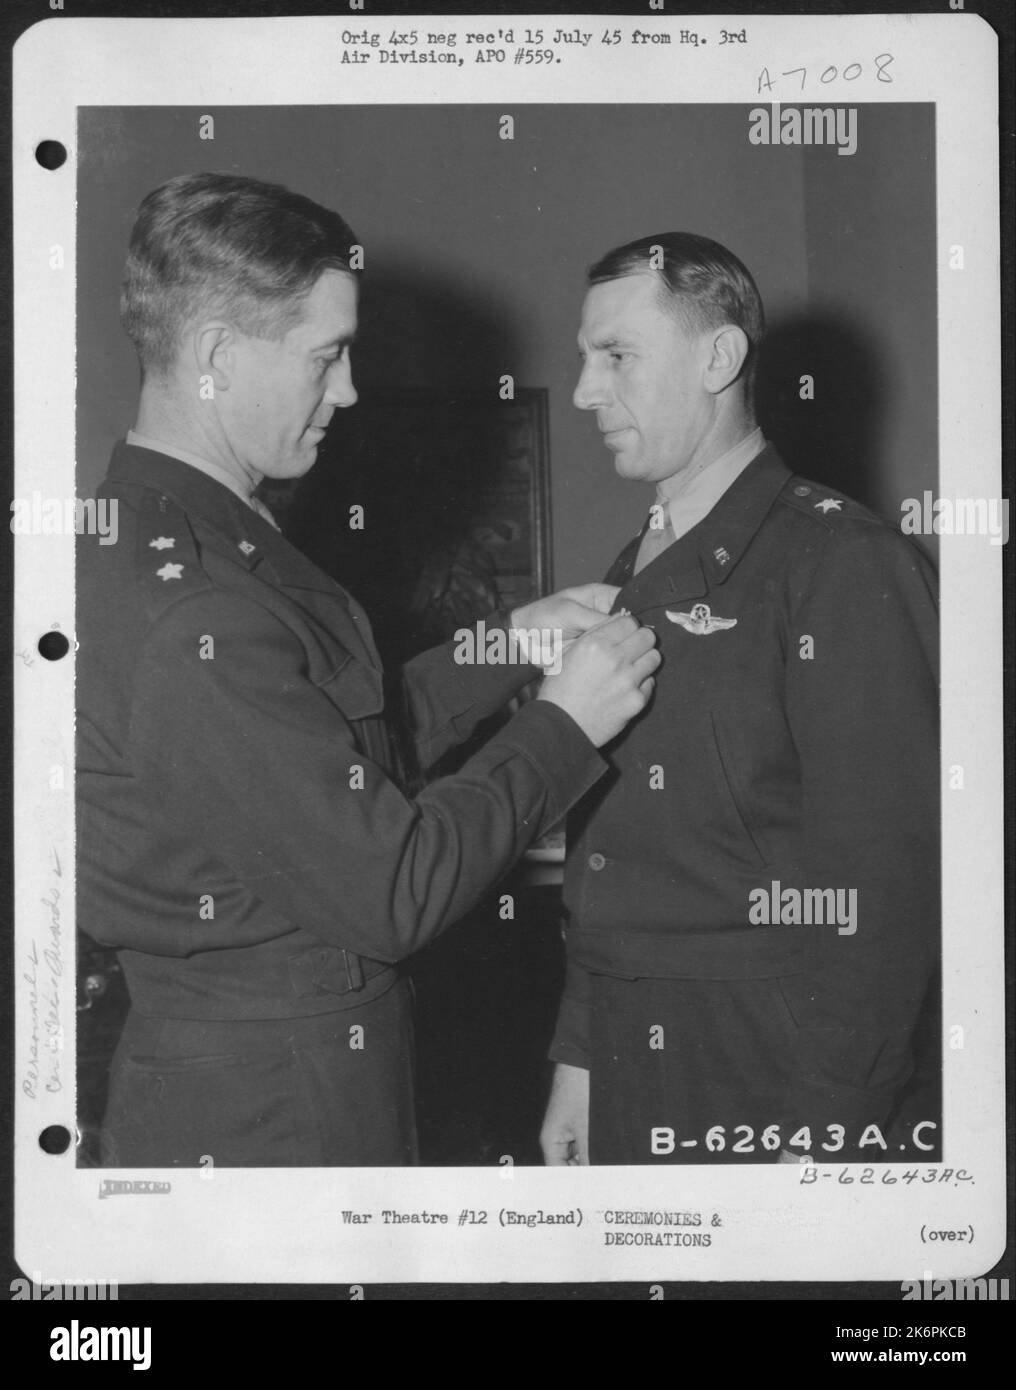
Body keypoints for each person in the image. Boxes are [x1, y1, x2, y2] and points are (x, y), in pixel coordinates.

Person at [76, 173, 660, 1167]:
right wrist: (562, 725)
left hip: (277, 1069)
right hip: (271, 1109)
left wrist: (509, 641)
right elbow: (392, 884)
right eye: (326, 356)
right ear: (217, 357)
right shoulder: (190, 609)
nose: (347, 390)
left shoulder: (187, 534)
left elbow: (337, 745)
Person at [540, 232, 939, 1166]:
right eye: (585, 359)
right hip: (639, 1042)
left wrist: (832, 1128)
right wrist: (583, 1055)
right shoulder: (638, 568)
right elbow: (618, 846)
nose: (589, 391)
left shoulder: (842, 563)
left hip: (774, 1062)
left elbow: (886, 893)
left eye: (618, 357)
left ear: (719, 357)